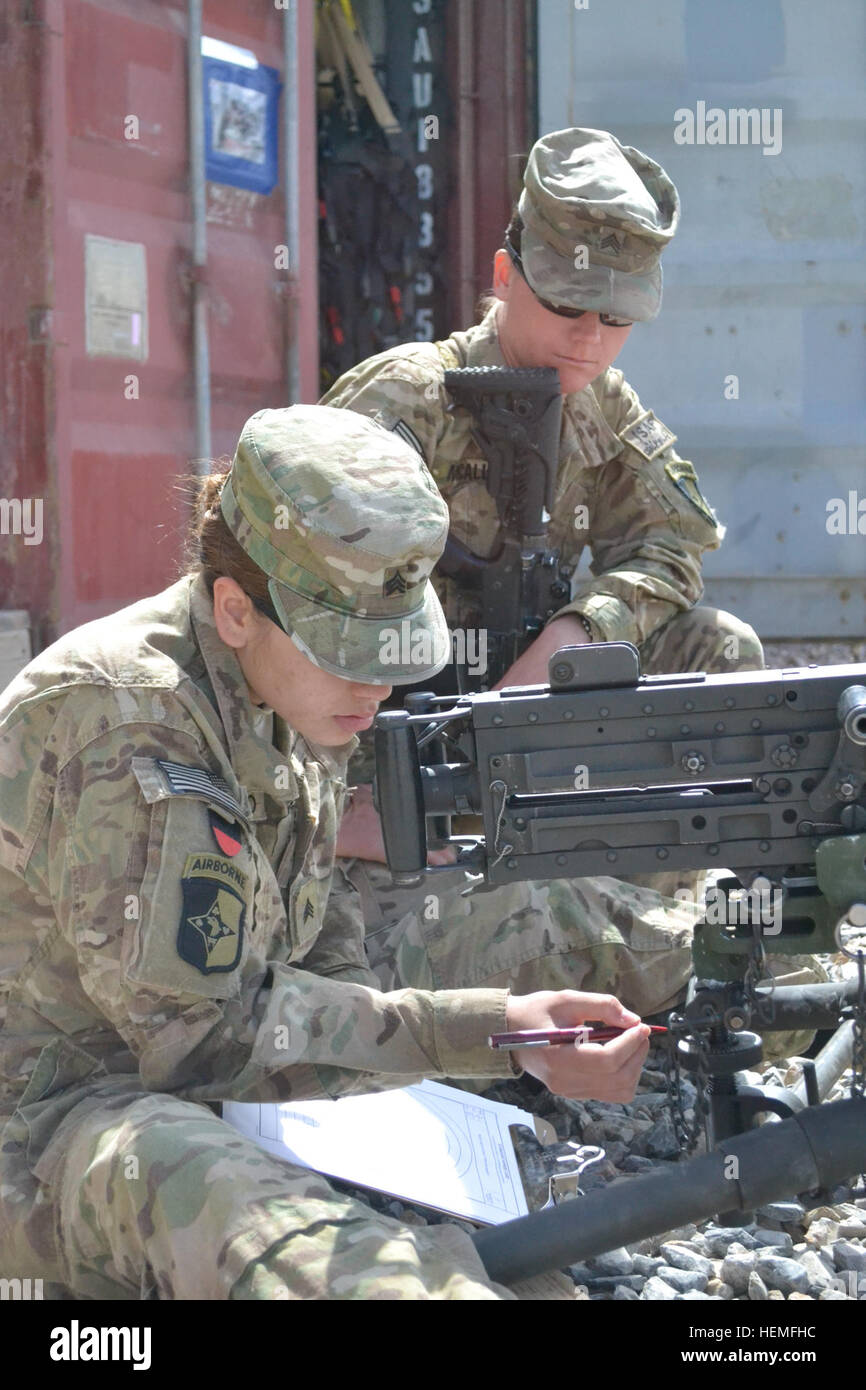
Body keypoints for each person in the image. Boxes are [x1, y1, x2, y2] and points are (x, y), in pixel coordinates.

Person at [0, 404, 652, 1301]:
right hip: (47, 1130)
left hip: (207, 1096)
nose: (377, 688)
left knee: (505, 1255)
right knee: (268, 1226)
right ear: (235, 609)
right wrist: (477, 1033)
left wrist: (514, 1033)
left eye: (391, 652)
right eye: (350, 655)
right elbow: (204, 1039)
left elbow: (320, 939)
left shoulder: (295, 691)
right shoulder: (128, 724)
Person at [321, 127, 765, 1020]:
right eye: (569, 310)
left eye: (617, 320)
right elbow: (286, 606)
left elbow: (675, 541)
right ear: (502, 273)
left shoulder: (601, 404)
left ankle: (640, 884)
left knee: (715, 646)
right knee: (412, 958)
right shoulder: (404, 401)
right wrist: (354, 806)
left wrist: (580, 631)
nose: (591, 343)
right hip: (388, 759)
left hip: (534, 740)